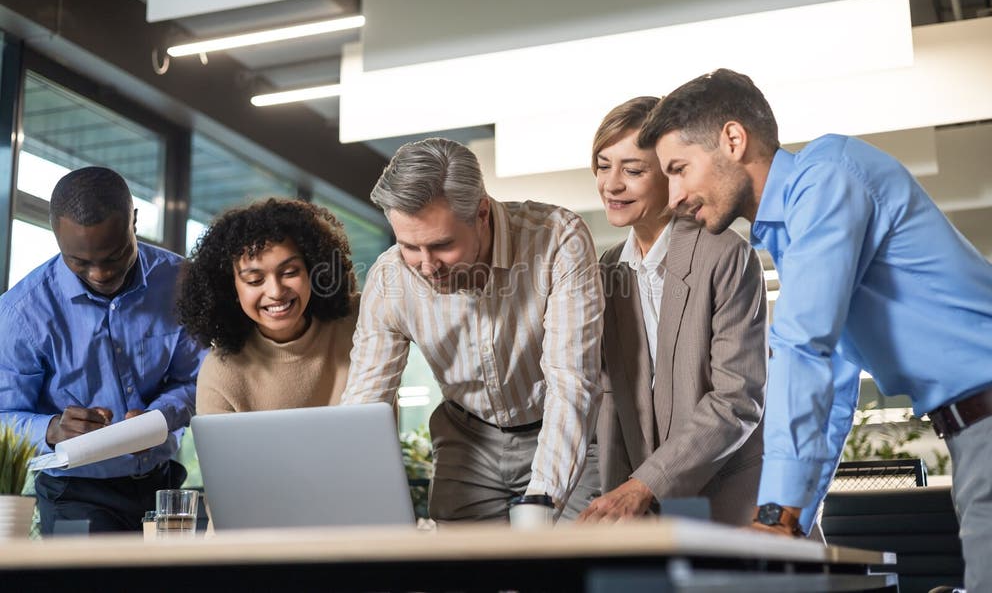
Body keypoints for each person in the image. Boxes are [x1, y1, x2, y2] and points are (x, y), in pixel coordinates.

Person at [639, 68, 992, 589]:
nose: (673, 196)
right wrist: (791, 522)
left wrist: (775, 514)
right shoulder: (795, 230)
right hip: (972, 433)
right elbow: (834, 395)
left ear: (733, 140)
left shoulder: (827, 177)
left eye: (679, 169)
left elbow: (802, 348)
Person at [343, 137, 603, 521]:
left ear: (482, 212)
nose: (427, 266)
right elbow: (365, 403)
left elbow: (572, 382)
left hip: (557, 426)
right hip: (467, 440)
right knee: (463, 561)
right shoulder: (390, 276)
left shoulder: (558, 238)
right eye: (409, 247)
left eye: (442, 245)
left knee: (572, 556)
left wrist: (541, 503)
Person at [576, 97, 766, 525]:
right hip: (645, 510)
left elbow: (737, 399)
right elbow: (610, 403)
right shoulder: (607, 270)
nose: (611, 185)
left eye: (632, 170)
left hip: (727, 496)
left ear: (670, 172)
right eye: (603, 166)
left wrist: (644, 485)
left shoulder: (725, 254)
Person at [0, 167, 204, 534]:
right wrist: (51, 429)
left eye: (114, 256)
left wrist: (158, 417)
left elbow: (199, 380)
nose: (99, 274)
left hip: (162, 486)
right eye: (79, 261)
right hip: (73, 494)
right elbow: (3, 416)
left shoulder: (180, 283)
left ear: (134, 221)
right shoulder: (22, 313)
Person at [177, 198, 358, 415]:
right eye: (254, 280)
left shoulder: (360, 320)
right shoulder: (221, 373)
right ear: (231, 288)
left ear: (313, 270)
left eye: (290, 272)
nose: (276, 292)